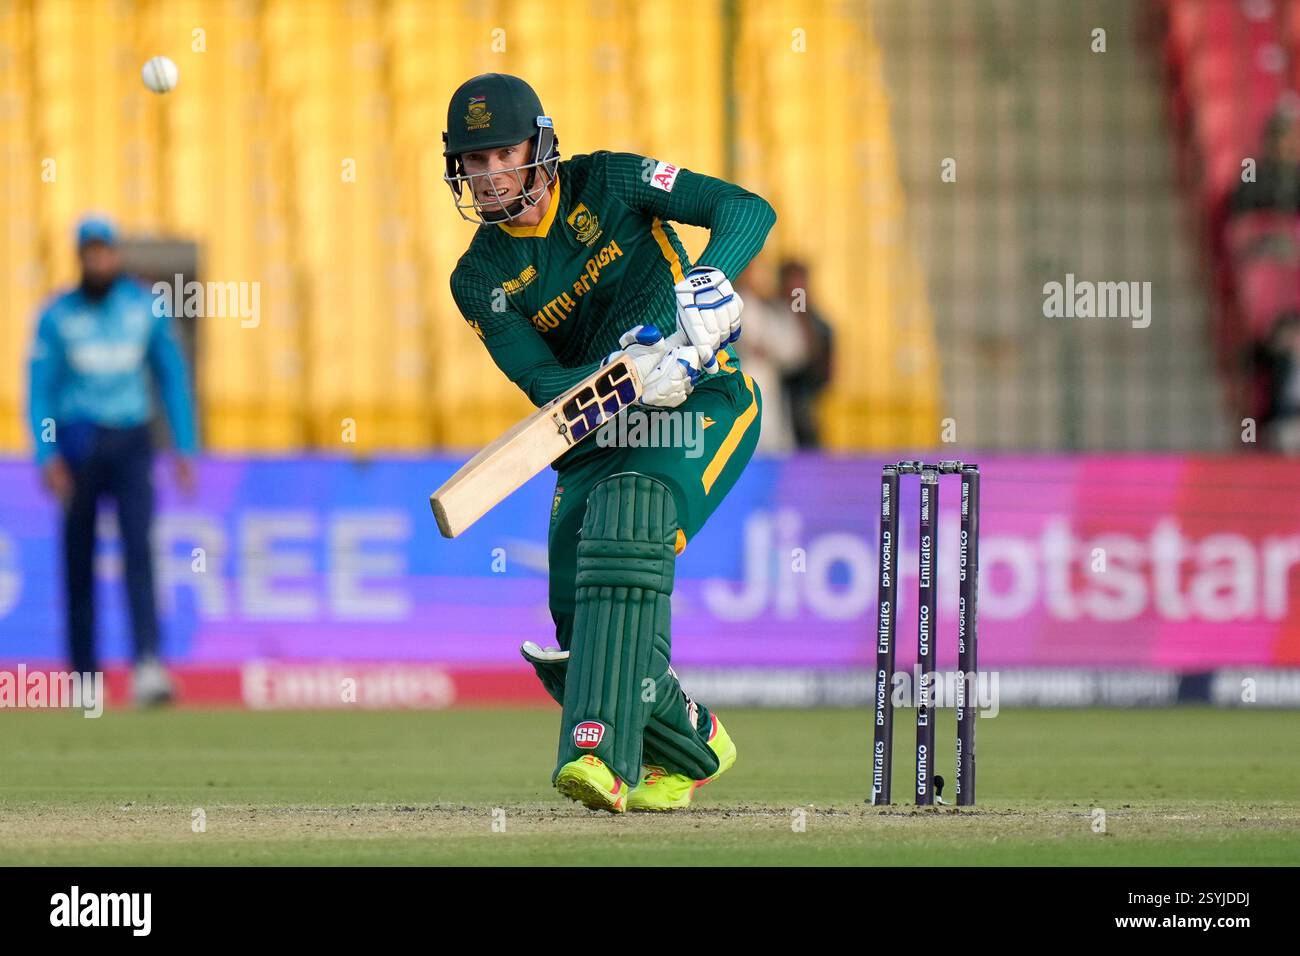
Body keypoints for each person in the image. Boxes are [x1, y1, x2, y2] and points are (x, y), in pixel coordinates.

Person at [443, 73, 775, 811]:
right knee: (578, 623)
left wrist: (712, 282)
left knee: (637, 519)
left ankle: (601, 761)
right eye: (474, 161)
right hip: (594, 432)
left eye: (503, 153)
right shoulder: (479, 278)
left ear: (541, 144)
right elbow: (543, 382)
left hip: (703, 401)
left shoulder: (614, 181)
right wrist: (627, 372)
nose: (491, 174)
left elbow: (744, 207)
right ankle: (691, 743)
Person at [27, 216, 198, 705]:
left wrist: (184, 446)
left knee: (139, 552)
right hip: (78, 443)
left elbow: (171, 378)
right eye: (90, 252)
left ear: (116, 255)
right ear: (79, 257)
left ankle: (147, 663)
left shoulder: (144, 308)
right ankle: (84, 678)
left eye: (105, 251)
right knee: (78, 559)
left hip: (130, 442)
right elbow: (41, 392)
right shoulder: (57, 316)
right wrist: (46, 453)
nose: (98, 260)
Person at [732, 260, 808, 452]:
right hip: (736, 383)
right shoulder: (726, 303)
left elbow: (794, 351)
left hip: (767, 386)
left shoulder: (774, 309)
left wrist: (769, 348)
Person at [777, 259, 834, 448]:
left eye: (799, 283)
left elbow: (824, 371)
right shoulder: (770, 315)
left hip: (804, 407)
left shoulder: (820, 326)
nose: (795, 289)